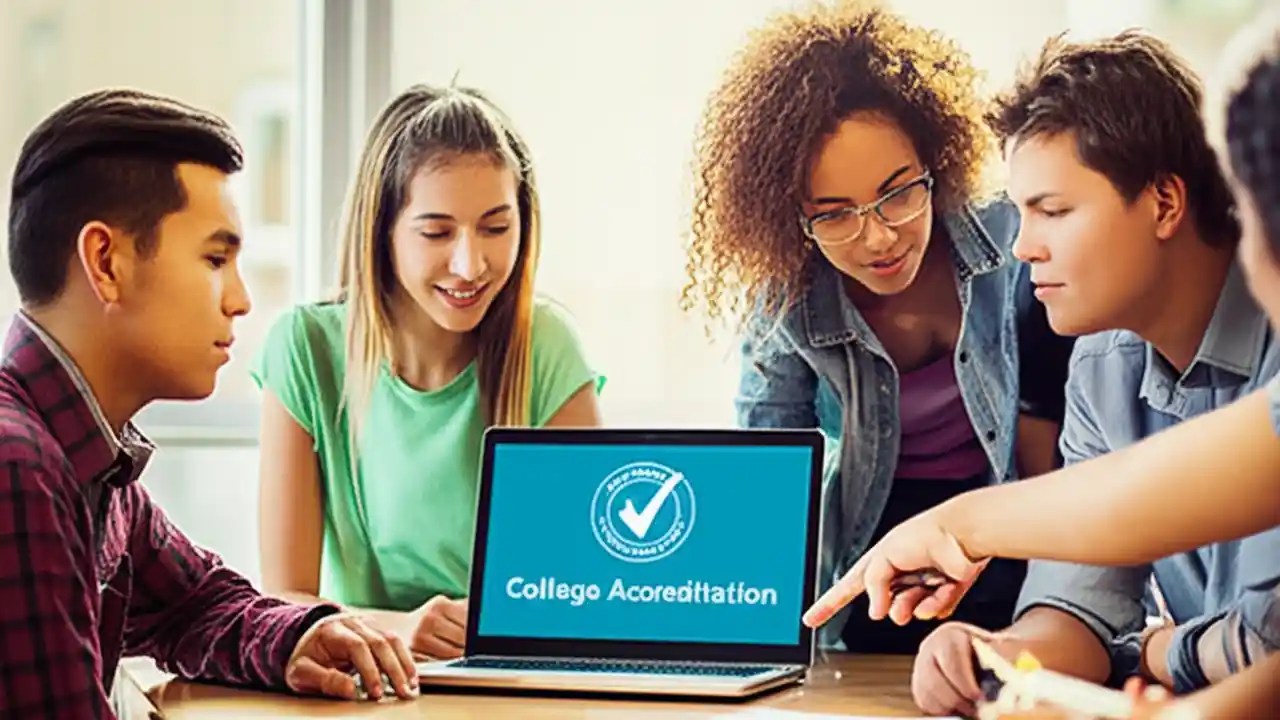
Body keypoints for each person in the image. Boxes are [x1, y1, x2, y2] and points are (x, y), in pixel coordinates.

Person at [804, 29, 1280, 718]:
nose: (1022, 248)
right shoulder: (1101, 358)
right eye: (1021, 212)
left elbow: (1262, 645)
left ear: (1166, 204)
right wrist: (1002, 657)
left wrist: (1145, 652)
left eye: (1052, 211)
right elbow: (1086, 597)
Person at [0, 89, 419, 718]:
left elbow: (191, 604)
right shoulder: (17, 467)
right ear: (105, 262)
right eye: (215, 259)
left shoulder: (86, 458)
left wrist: (295, 635)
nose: (242, 300)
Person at [679, 0, 1072, 653]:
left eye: (898, 192)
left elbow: (1056, 437)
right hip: (873, 554)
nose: (879, 237)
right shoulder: (787, 298)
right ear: (793, 217)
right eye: (834, 215)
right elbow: (768, 484)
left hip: (1013, 526)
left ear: (934, 163)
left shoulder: (1012, 234)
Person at [252, 84, 603, 660]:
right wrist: (395, 629)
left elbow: (589, 591)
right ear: (383, 231)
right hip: (366, 685)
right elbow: (284, 604)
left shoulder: (548, 348)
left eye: (496, 228)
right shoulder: (305, 348)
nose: (470, 265)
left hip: (518, 691)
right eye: (436, 232)